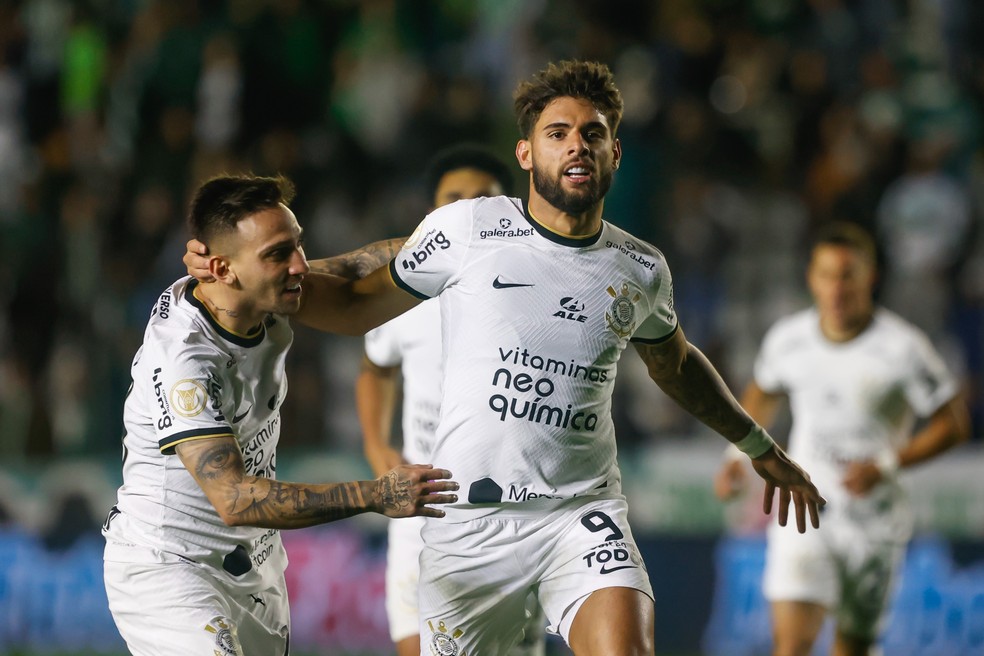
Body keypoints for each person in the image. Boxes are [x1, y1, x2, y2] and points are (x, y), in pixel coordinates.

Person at [186, 60, 825, 655]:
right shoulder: (468, 229)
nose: (577, 144)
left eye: (593, 133)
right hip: (468, 522)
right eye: (557, 133)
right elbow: (355, 304)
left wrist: (761, 446)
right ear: (526, 152)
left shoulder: (640, 267)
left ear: (615, 152)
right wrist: (240, 278)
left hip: (581, 512)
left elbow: (676, 364)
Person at [103, 174, 458, 656]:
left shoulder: (260, 294)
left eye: (298, 246)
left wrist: (467, 239)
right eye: (278, 253)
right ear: (222, 268)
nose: (300, 265)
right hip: (169, 568)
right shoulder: (185, 360)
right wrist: (375, 494)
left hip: (255, 571)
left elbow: (354, 270)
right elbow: (233, 498)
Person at [714, 222, 969, 656]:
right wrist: (735, 455)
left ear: (870, 277)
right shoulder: (788, 340)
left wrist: (886, 464)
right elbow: (761, 394)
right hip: (804, 510)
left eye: (847, 274)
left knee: (852, 649)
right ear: (811, 278)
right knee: (790, 646)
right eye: (826, 274)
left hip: (873, 521)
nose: (836, 287)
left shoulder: (903, 348)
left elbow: (953, 424)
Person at [355, 144, 547, 656]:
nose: (467, 210)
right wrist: (377, 447)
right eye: (453, 199)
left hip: (511, 512)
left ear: (513, 210)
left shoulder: (543, 296)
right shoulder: (404, 297)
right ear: (431, 214)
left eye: (483, 199)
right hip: (423, 507)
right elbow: (375, 368)